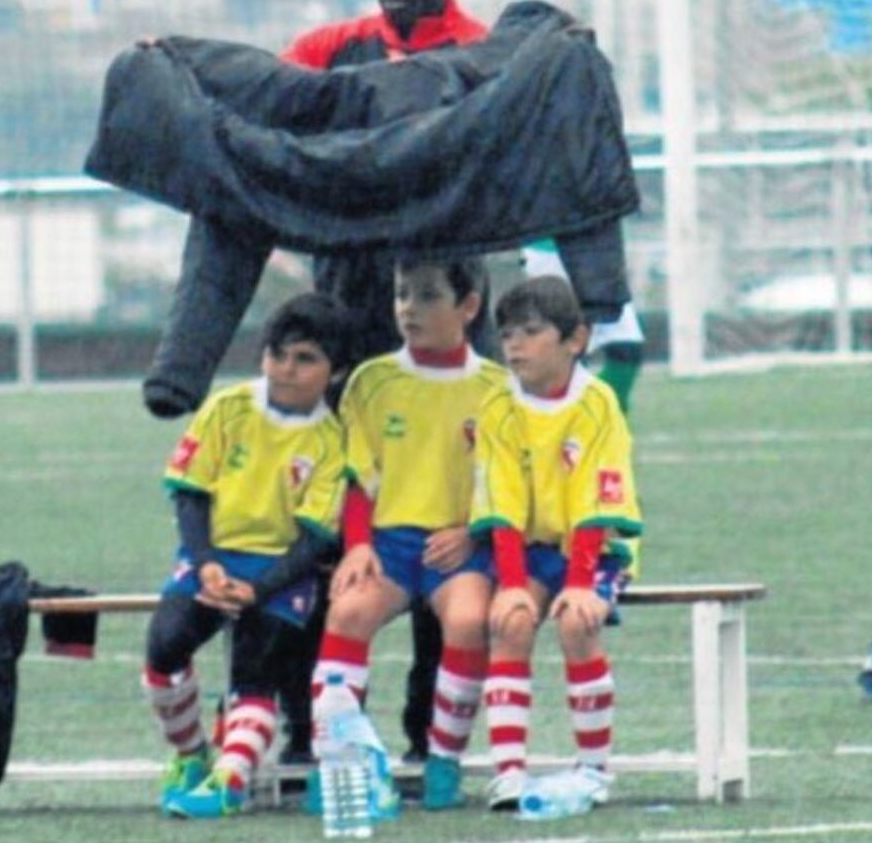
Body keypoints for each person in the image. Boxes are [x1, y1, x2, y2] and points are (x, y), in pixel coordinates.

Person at [277, 0, 495, 765]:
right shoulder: (329, 50)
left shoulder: (486, 53)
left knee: (444, 524)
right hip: (345, 311)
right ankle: (308, 731)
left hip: (442, 313)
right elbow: (256, 105)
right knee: (327, 530)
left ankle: (422, 742)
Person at [141, 292, 354, 819]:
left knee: (254, 668)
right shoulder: (227, 408)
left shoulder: (331, 440)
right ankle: (192, 756)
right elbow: (190, 493)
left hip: (281, 570)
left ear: (335, 370)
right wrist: (207, 563)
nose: (286, 369)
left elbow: (315, 539)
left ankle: (230, 781)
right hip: (212, 558)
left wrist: (258, 589)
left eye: (305, 359)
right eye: (277, 354)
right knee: (164, 646)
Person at [307, 255, 507, 811]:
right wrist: (360, 545)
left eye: (425, 297)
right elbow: (355, 477)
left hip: (459, 547)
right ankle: (342, 765)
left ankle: (443, 761)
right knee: (347, 612)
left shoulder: (496, 388)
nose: (407, 309)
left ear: (468, 307)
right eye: (401, 295)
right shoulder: (371, 382)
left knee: (468, 619)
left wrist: (472, 532)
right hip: (388, 545)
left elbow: (509, 482)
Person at [469, 275, 643, 813]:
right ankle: (510, 774)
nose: (514, 345)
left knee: (576, 621)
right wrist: (513, 585)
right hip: (528, 547)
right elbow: (500, 498)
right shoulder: (498, 407)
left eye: (530, 331)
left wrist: (578, 584)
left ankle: (593, 770)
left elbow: (597, 497)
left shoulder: (597, 404)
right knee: (511, 622)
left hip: (597, 547)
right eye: (506, 333)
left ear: (576, 340)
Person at [523, 240, 644, 415]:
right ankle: (571, 426)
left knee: (627, 348)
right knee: (567, 354)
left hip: (600, 249)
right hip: (549, 251)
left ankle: (599, 422)